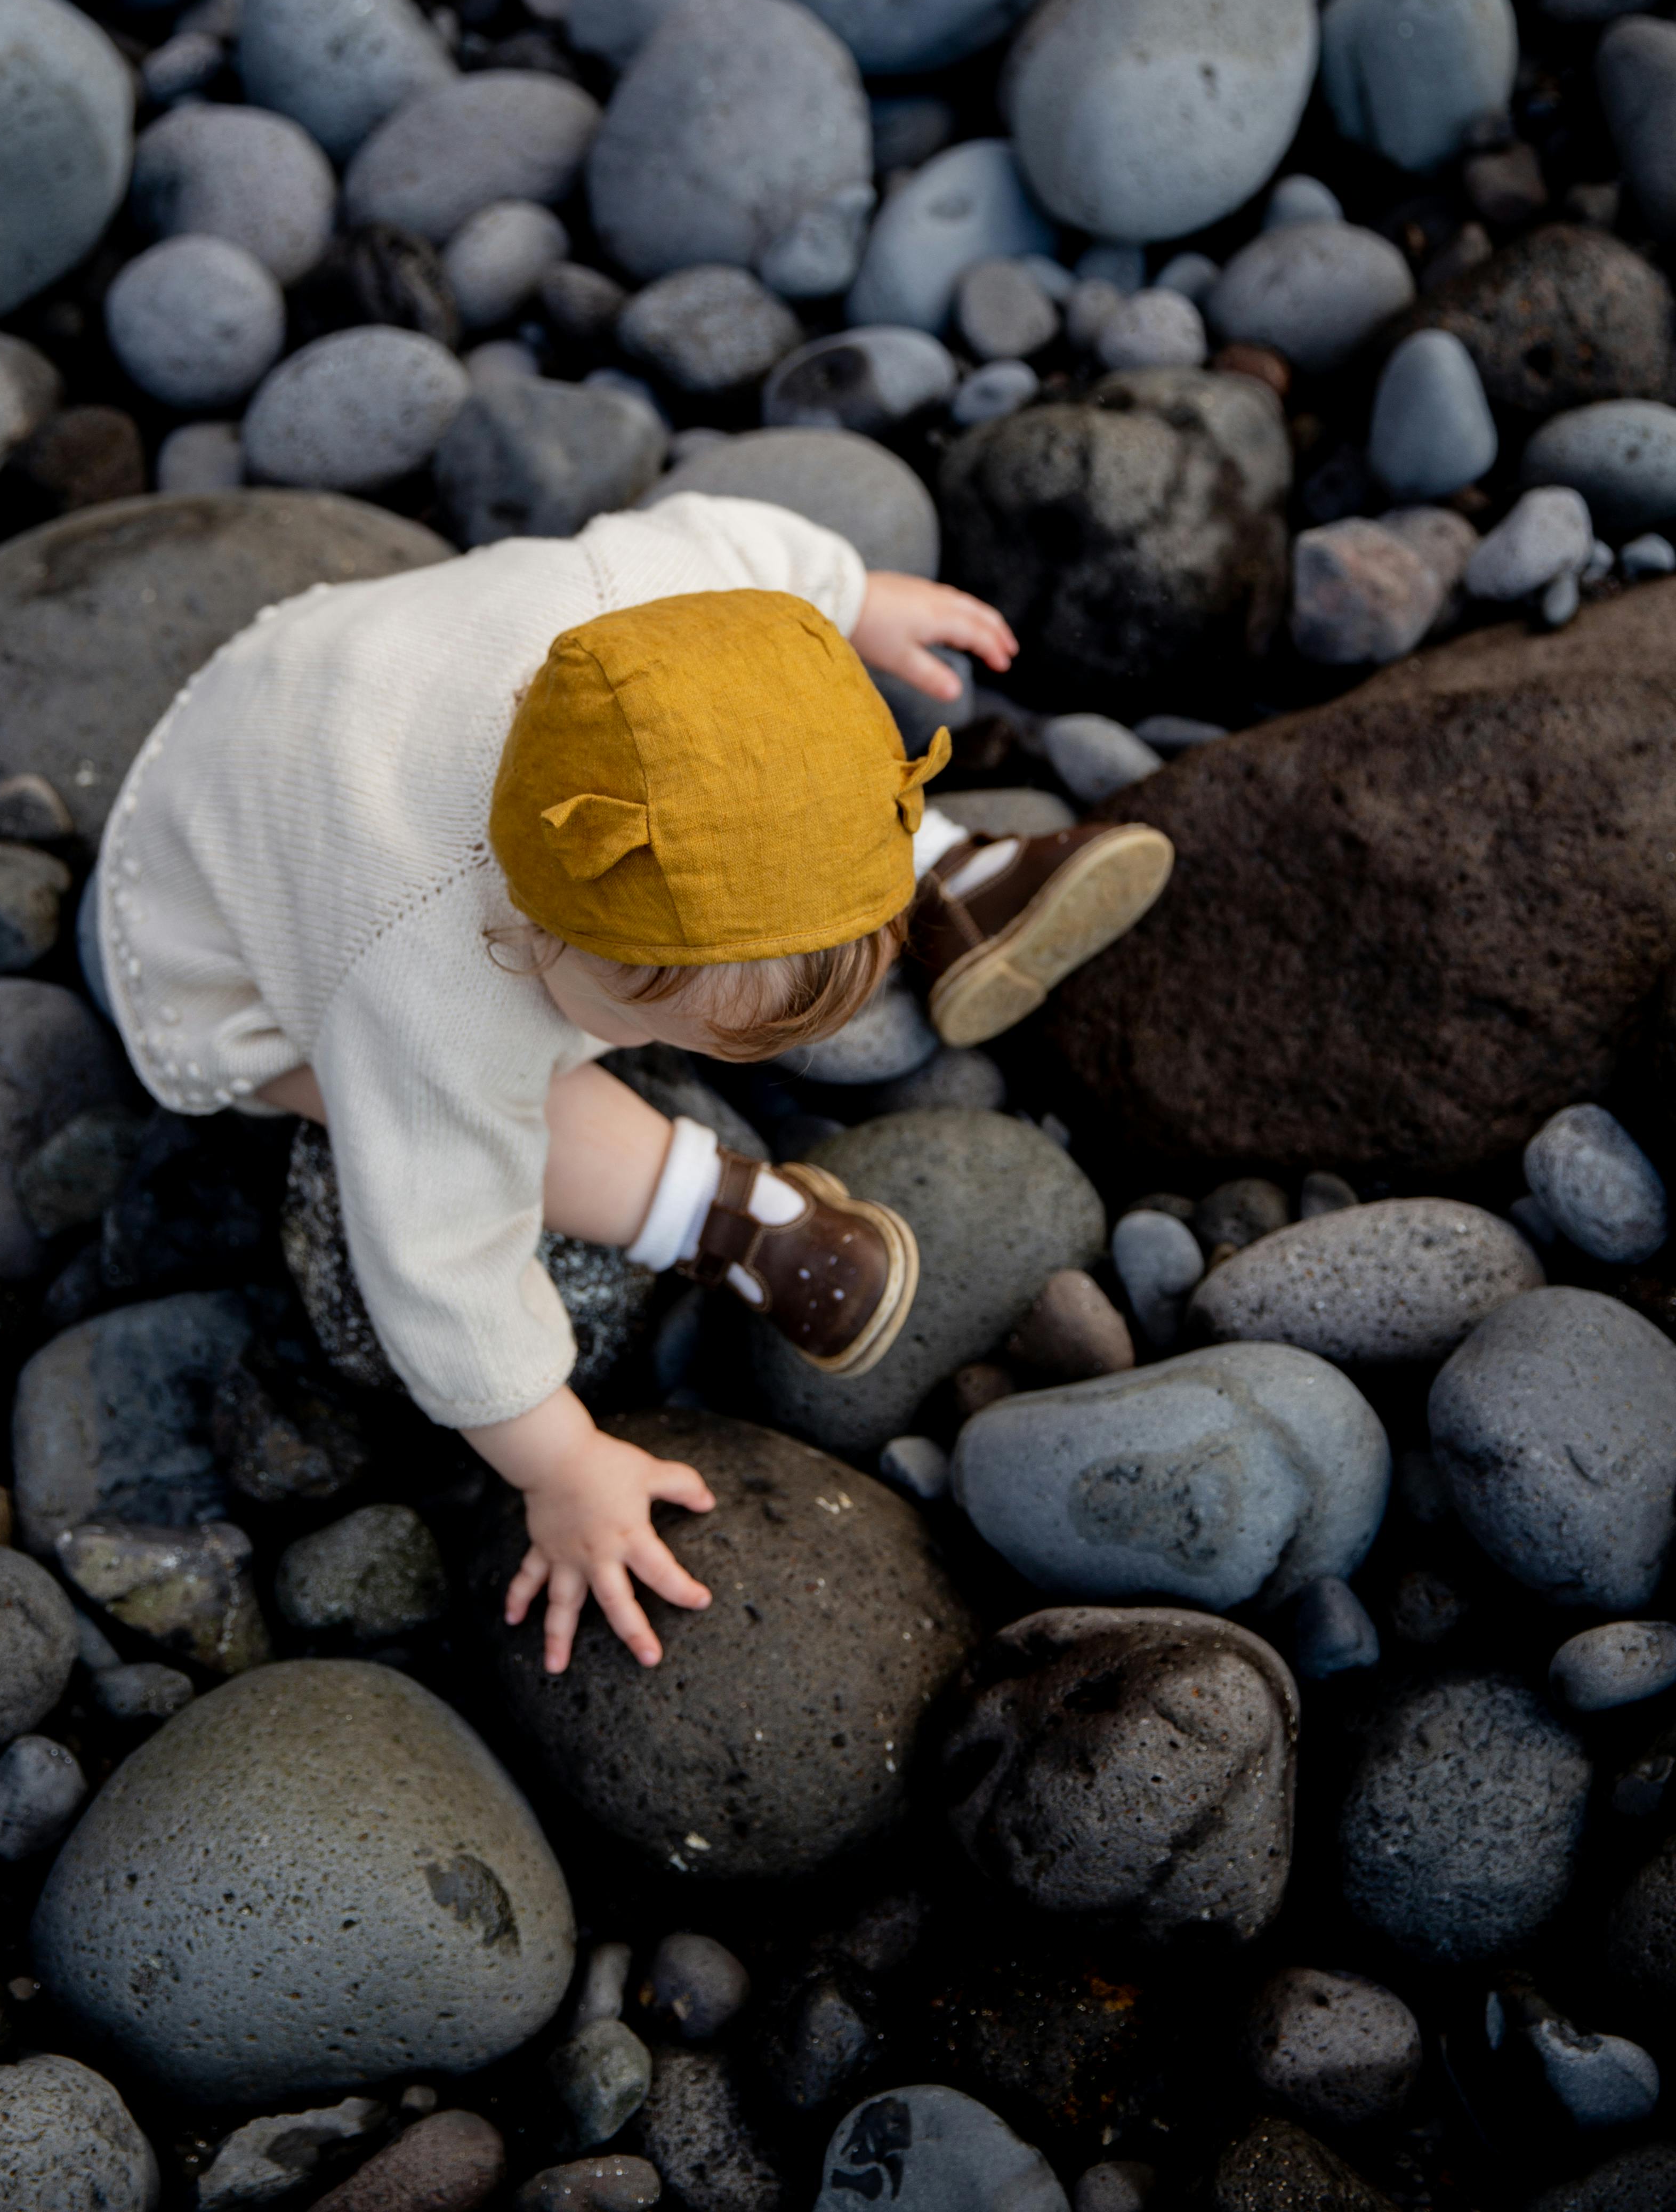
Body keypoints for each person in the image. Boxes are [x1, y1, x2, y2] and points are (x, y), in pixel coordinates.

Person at [92, 492, 1172, 1675]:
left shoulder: (659, 610)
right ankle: (725, 1213)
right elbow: (439, 1258)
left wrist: (855, 599)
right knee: (516, 1106)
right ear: (547, 940)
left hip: (351, 669)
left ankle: (949, 871)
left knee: (789, 786)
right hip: (202, 906)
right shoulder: (431, 989)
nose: (737, 1058)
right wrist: (559, 1460)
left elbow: (754, 550)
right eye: (691, 1035)